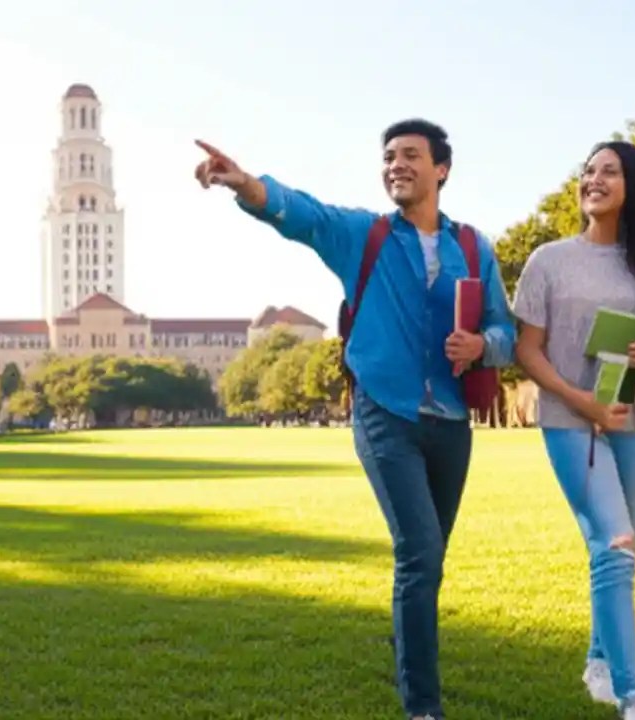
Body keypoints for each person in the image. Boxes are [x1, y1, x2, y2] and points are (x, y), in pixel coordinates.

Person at [193, 119, 516, 720]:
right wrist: (245, 185)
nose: (397, 164)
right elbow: (301, 212)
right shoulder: (362, 235)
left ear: (441, 169)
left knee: (431, 557)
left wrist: (482, 347)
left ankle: (406, 637)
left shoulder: (473, 247)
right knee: (418, 553)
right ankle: (423, 707)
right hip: (383, 411)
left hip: (449, 418)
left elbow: (505, 329)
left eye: (411, 155)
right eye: (389, 156)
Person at [512, 141, 635, 720]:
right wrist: (580, 402)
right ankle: (633, 696)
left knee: (622, 551)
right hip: (573, 421)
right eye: (588, 170)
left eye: (608, 171)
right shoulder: (549, 259)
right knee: (614, 545)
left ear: (634, 187)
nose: (593, 179)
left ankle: (598, 659)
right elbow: (527, 350)